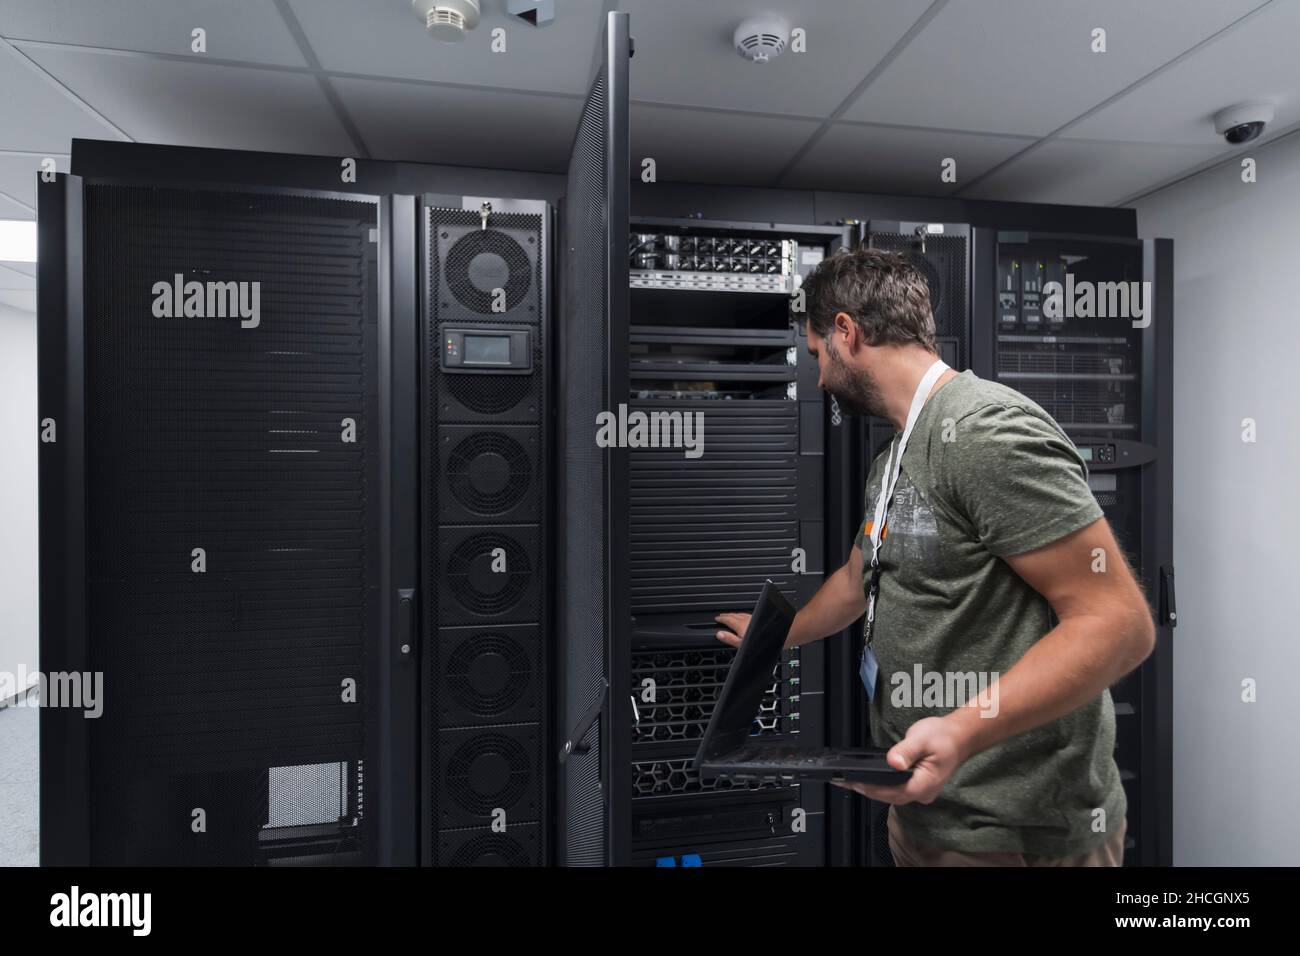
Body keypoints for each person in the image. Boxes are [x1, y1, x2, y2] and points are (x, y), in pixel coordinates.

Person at [715, 248, 1154, 867]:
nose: (819, 379)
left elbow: (1118, 625)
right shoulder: (896, 454)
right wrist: (779, 634)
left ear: (847, 331)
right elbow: (858, 574)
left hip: (1016, 831)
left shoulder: (984, 432)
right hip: (927, 809)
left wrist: (960, 729)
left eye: (817, 355)